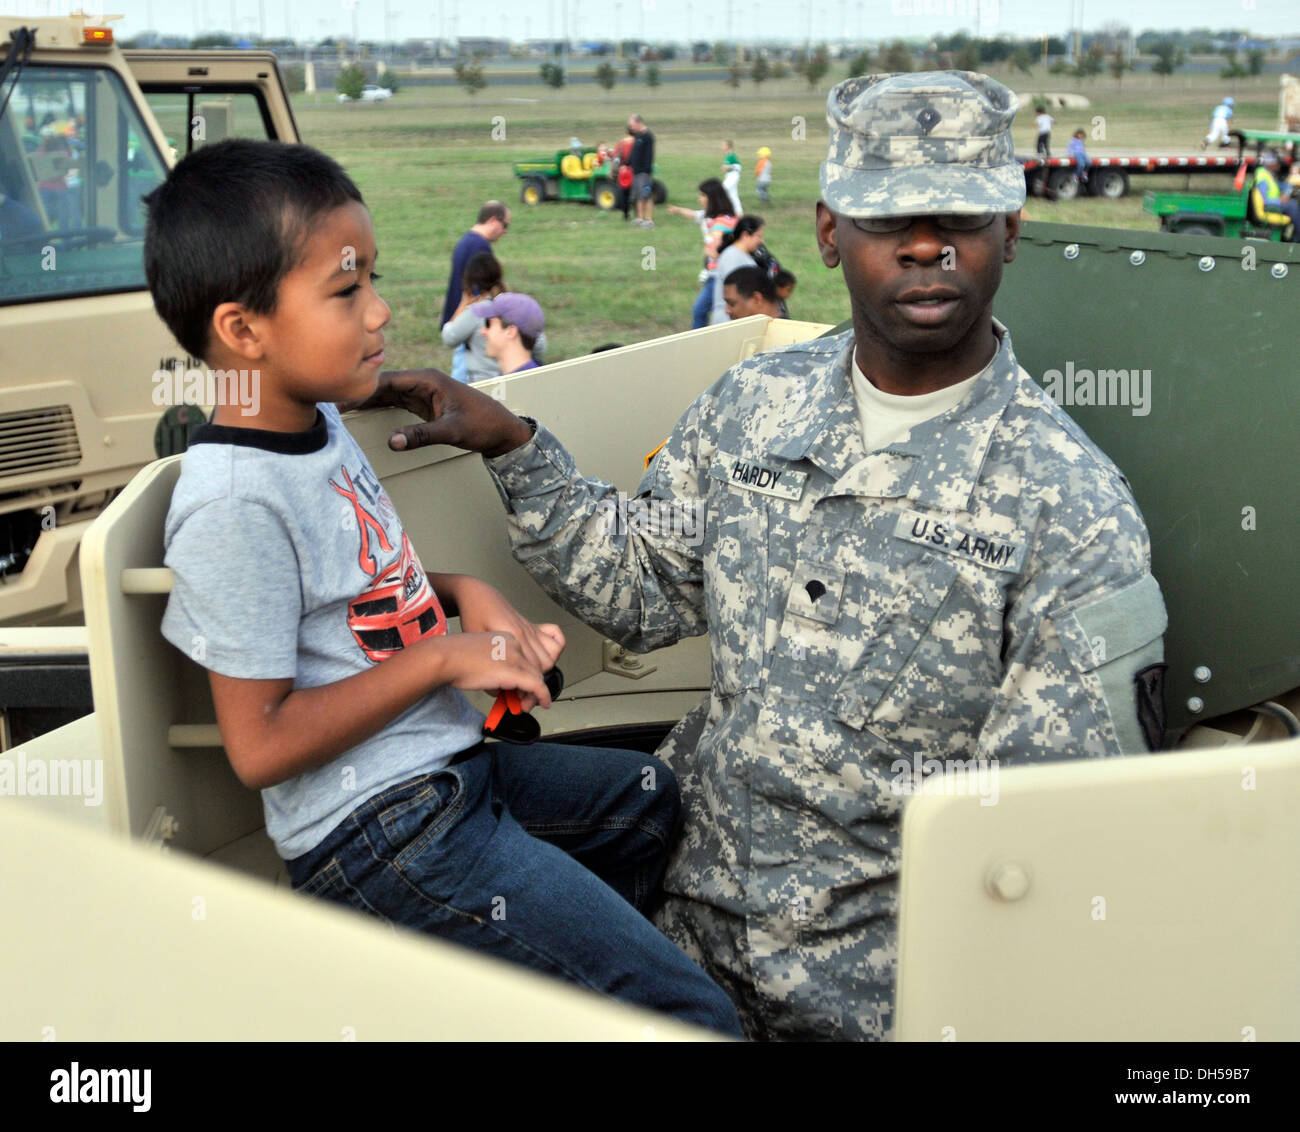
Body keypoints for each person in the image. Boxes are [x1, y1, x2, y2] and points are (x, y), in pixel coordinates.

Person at [353, 71, 1168, 1041]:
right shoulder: (755, 405)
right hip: (679, 951)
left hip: (880, 1002)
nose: (924, 245)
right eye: (886, 219)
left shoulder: (1071, 508)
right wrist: (515, 447)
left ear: (1010, 233)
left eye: (960, 218)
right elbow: (642, 588)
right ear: (828, 233)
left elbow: (1053, 842)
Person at [141, 138, 742, 1038]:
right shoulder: (232, 503)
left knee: (647, 803)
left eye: (372, 281)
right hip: (377, 832)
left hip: (451, 770)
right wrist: (445, 660)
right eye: (346, 292)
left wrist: (465, 595)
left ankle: (554, 997)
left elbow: (362, 586)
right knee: (691, 1015)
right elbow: (259, 746)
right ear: (243, 330)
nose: (380, 311)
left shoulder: (318, 426)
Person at [440, 253, 548, 382]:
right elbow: (541, 346)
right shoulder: (515, 308)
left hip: (482, 383)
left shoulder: (474, 312)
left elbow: (449, 337)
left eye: (489, 325)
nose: (484, 331)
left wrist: (462, 306)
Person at [441, 202, 510, 381]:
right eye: (505, 225)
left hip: (461, 320)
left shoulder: (465, 241)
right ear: (493, 220)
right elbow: (479, 291)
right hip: (471, 329)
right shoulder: (480, 247)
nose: (505, 231)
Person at [666, 178, 737, 329]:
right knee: (714, 311)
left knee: (701, 310)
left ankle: (700, 339)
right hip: (714, 272)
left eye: (703, 195)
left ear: (712, 198)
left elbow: (714, 247)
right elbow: (693, 214)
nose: (700, 199)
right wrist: (678, 210)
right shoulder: (708, 216)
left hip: (722, 274)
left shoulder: (724, 221)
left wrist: (710, 250)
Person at [474, 292, 548, 375]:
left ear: (511, 332)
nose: (482, 331)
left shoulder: (530, 381)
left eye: (488, 324)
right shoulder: (538, 377)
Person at [709, 215, 764, 324]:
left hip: (739, 318)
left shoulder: (745, 256)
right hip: (728, 320)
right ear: (745, 235)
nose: (761, 241)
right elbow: (733, 292)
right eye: (759, 236)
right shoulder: (732, 256)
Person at [1249, 149, 1300, 239]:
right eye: (1277, 163)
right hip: (1269, 207)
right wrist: (1280, 201)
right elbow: (1265, 200)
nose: (1279, 166)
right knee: (1292, 206)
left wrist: (1290, 184)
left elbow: (1280, 185)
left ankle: (1291, 236)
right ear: (1271, 164)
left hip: (1274, 205)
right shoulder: (1263, 177)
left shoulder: (1269, 174)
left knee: (1293, 203)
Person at [628, 114, 656, 228]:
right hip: (636, 172)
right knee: (638, 195)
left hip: (644, 172)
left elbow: (649, 155)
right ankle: (639, 218)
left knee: (646, 195)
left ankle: (649, 220)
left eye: (632, 125)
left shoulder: (648, 136)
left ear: (639, 123)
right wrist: (627, 164)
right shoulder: (638, 135)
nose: (631, 128)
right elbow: (634, 152)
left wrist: (646, 171)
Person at [721, 139, 743, 216]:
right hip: (729, 176)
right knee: (733, 195)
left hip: (733, 176)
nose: (722, 147)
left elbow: (739, 167)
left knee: (722, 190)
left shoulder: (732, 156)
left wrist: (728, 167)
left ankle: (722, 210)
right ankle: (739, 212)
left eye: (723, 145)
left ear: (728, 146)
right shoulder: (728, 156)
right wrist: (725, 168)